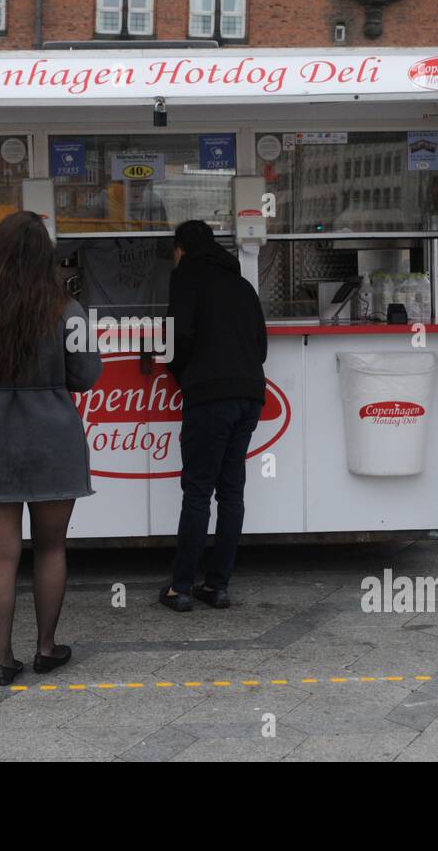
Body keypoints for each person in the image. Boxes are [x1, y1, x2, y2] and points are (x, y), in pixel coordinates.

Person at [0, 211, 102, 686]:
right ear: (45, 256)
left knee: (1, 556)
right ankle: (47, 649)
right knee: (51, 548)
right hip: (54, 441)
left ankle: (4, 660)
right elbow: (88, 375)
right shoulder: (67, 310)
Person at [160, 219, 267, 612]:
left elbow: (177, 338)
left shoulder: (185, 278)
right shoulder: (241, 285)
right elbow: (260, 348)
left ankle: (182, 587)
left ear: (180, 249)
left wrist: (184, 375)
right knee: (232, 492)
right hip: (249, 396)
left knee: (198, 490)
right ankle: (218, 586)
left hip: (210, 398)